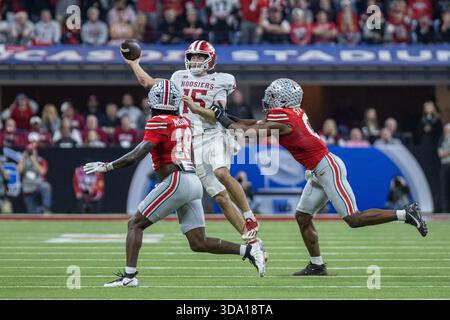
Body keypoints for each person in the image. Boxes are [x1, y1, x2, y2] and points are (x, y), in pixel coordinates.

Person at [190, 78, 428, 276]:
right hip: (317, 170)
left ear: (283, 100)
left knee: (353, 219)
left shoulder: (284, 118)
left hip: (327, 167)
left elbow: (250, 133)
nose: (268, 99)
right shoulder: (288, 113)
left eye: (272, 96)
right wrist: (224, 115)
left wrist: (221, 119)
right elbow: (249, 122)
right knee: (303, 216)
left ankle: (406, 213)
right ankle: (317, 264)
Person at [82, 80, 265, 286]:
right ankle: (249, 251)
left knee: (135, 224)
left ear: (154, 101)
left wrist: (108, 166)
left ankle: (129, 277)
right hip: (192, 180)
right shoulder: (184, 122)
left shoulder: (158, 121)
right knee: (198, 242)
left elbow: (138, 154)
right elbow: (192, 154)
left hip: (177, 181)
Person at [122, 40, 262, 243]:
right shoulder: (179, 77)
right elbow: (147, 82)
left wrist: (196, 108)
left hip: (213, 135)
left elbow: (217, 114)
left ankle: (249, 217)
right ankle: (253, 243)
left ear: (210, 59)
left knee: (221, 171)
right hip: (190, 141)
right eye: (192, 57)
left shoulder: (221, 80)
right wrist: (133, 63)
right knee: (220, 197)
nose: (195, 60)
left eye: (200, 57)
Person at [17, 143, 52, 214]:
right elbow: (18, 171)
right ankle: (39, 210)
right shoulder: (24, 161)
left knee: (46, 186)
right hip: (28, 190)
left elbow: (42, 172)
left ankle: (45, 208)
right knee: (33, 214)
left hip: (38, 187)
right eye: (29, 151)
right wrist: (23, 158)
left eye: (32, 151)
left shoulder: (40, 160)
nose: (30, 152)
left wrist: (34, 160)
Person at [438, 123, 450, 212]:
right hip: (444, 165)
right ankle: (445, 209)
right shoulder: (442, 139)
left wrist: (445, 152)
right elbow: (440, 154)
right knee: (444, 188)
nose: (447, 132)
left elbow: (443, 152)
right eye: (446, 130)